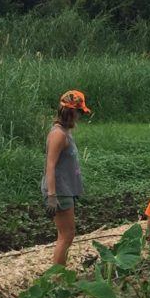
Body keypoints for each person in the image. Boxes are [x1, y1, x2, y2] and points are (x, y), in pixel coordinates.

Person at [43, 89, 89, 266]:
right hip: (59, 190)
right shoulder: (58, 134)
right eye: (78, 112)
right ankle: (57, 278)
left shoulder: (64, 132)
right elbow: (50, 165)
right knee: (66, 234)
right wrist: (52, 196)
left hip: (65, 188)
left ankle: (58, 274)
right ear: (72, 112)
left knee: (67, 234)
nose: (79, 116)